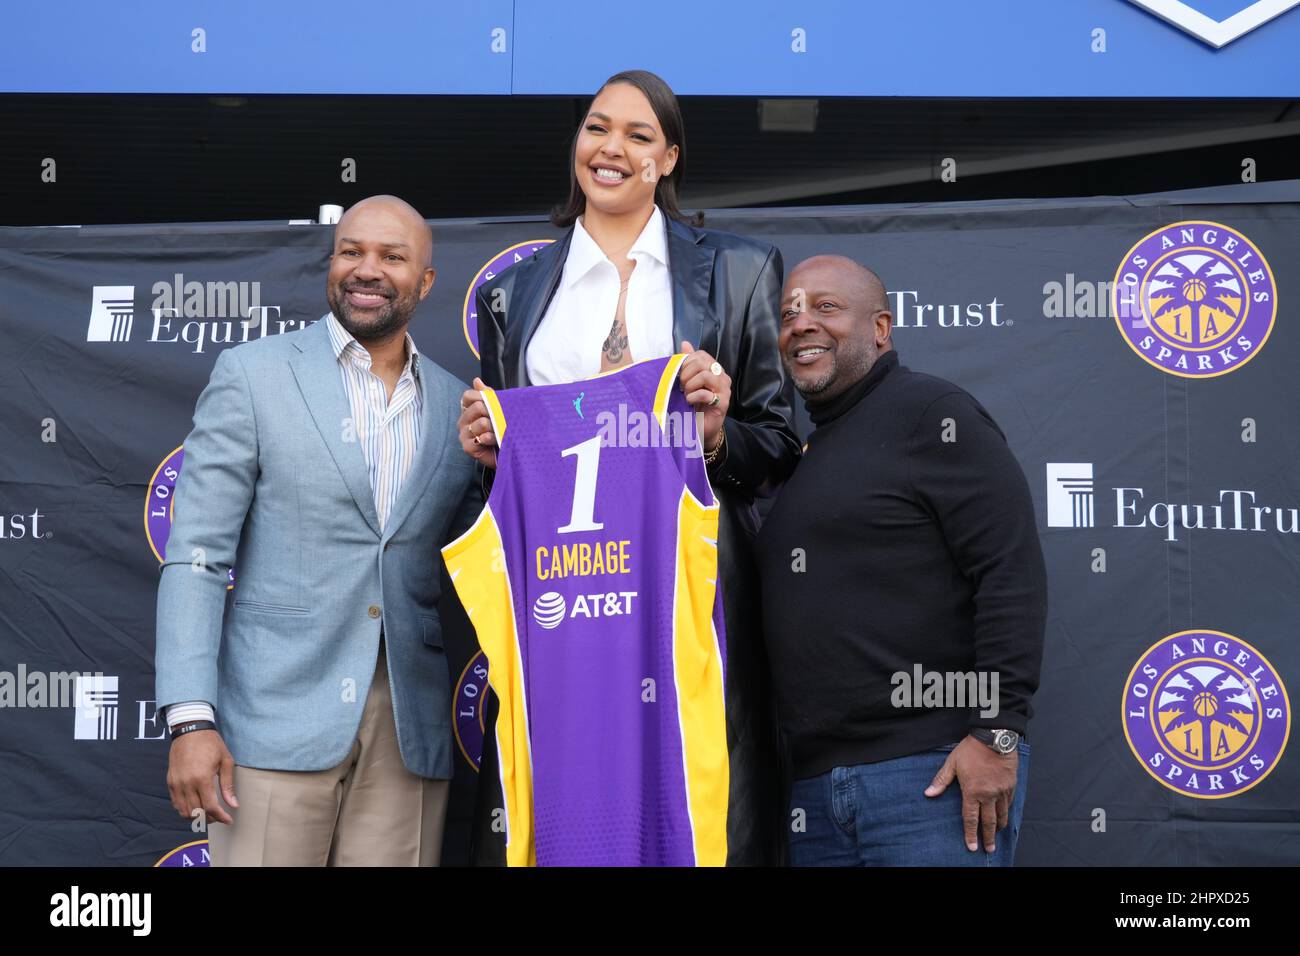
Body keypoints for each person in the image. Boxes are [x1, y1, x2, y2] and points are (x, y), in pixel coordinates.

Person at [457, 69, 801, 865]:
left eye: (639, 135)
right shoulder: (509, 296)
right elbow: (516, 476)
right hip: (561, 593)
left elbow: (777, 440)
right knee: (566, 783)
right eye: (596, 127)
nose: (611, 148)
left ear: (669, 158)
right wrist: (489, 452)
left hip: (687, 587)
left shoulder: (737, 270)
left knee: (692, 791)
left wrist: (715, 433)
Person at [156, 195, 478, 866]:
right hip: (271, 726)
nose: (367, 270)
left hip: (408, 738)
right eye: (351, 251)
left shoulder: (459, 405)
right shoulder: (253, 375)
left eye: (393, 257)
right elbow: (196, 559)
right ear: (331, 262)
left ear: (425, 282)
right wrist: (191, 719)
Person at [756, 255, 1047, 866]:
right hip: (812, 794)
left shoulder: (932, 414)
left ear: (881, 329)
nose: (801, 324)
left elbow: (1008, 571)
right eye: (788, 314)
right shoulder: (807, 454)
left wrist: (997, 734)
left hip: (930, 779)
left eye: (826, 308)